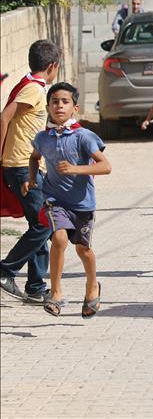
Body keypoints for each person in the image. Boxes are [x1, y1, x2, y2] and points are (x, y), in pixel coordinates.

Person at [26, 83, 111, 317]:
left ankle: (92, 286)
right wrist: (32, 179)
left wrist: (75, 169)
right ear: (48, 107)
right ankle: (56, 293)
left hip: (83, 204)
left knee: (83, 249)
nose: (59, 106)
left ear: (75, 107)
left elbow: (105, 166)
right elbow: (34, 158)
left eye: (65, 102)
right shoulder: (43, 137)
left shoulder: (84, 136)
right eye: (54, 101)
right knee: (60, 239)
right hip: (55, 200)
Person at [0, 40, 61, 304]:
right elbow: (4, 117)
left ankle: (36, 285)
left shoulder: (33, 87)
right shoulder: (34, 91)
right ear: (52, 66)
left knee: (41, 222)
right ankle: (5, 271)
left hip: (29, 166)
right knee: (45, 222)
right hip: (21, 167)